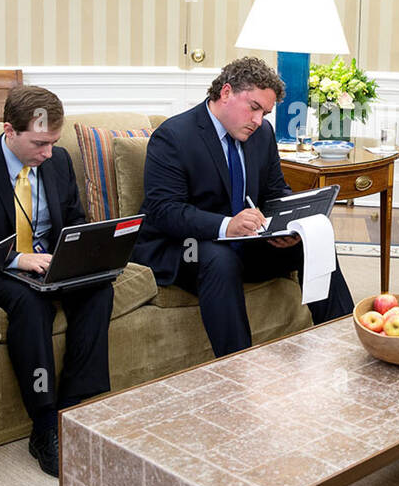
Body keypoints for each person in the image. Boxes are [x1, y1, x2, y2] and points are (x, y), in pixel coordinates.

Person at [0, 85, 112, 476]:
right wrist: (17, 259)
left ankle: (80, 406)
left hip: (51, 262)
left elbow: (75, 218)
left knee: (100, 287)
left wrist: (81, 251)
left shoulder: (59, 161)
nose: (48, 153)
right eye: (39, 144)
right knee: (31, 304)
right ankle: (45, 422)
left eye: (53, 142)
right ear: (9, 131)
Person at [134, 56, 355, 357]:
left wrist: (291, 225)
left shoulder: (262, 135)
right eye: (253, 108)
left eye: (265, 112)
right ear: (226, 93)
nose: (258, 120)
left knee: (316, 240)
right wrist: (227, 225)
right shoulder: (174, 136)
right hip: (185, 247)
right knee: (218, 257)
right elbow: (165, 211)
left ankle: (345, 344)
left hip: (247, 242)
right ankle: (240, 367)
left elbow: (276, 190)